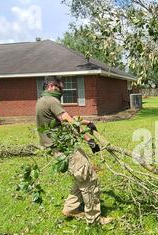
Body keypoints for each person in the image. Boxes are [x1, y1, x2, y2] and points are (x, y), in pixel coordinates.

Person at [35, 76, 113, 225]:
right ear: (52, 86)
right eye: (60, 88)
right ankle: (94, 219)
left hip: (59, 148)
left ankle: (71, 208)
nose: (62, 91)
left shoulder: (42, 101)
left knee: (81, 176)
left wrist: (88, 122)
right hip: (64, 148)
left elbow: (66, 116)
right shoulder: (52, 101)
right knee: (89, 178)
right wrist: (89, 140)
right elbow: (69, 122)